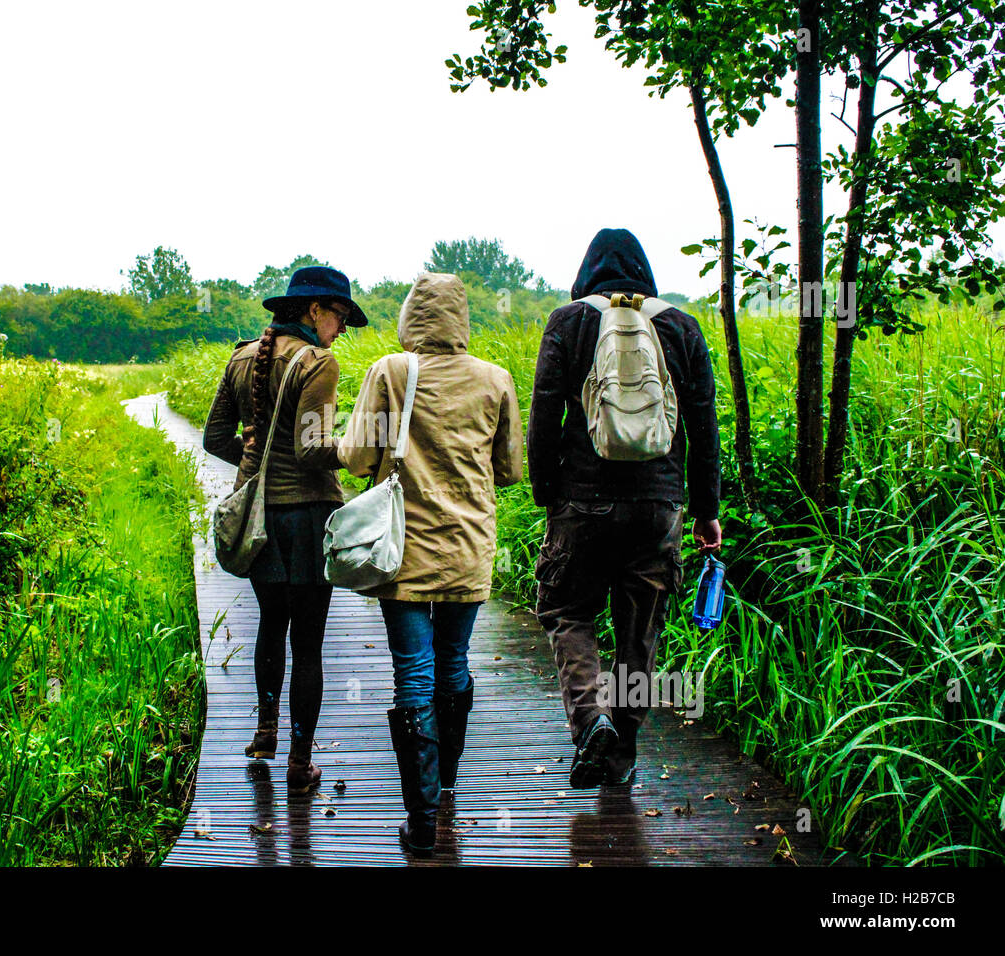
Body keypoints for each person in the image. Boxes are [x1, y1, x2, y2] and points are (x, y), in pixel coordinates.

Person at [528, 227, 722, 789]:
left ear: (587, 272)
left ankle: (590, 723)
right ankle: (622, 756)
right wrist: (706, 508)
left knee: (568, 610)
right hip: (659, 505)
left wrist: (547, 493)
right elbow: (704, 426)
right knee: (639, 632)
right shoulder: (681, 326)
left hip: (582, 502)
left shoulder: (568, 322)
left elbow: (545, 417)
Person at [339, 272, 523, 855]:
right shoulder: (496, 380)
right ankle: (446, 785)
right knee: (454, 664)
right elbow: (512, 469)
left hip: (403, 555)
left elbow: (357, 456)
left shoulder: (390, 373)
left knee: (412, 674)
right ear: (462, 319)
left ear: (410, 317)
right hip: (468, 549)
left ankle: (419, 819)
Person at [203, 265, 368, 794]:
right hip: (307, 516)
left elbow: (213, 438)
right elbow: (311, 449)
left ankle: (264, 733)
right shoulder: (317, 362)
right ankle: (300, 762)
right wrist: (357, 451)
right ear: (313, 310)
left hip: (258, 518)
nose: (340, 328)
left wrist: (252, 456)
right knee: (310, 643)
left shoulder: (242, 356)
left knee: (271, 626)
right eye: (339, 316)